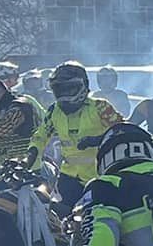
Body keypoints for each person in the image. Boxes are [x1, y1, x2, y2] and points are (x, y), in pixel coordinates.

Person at [31, 60, 124, 211]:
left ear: (84, 86)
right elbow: (41, 135)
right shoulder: (54, 110)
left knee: (101, 216)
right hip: (69, 177)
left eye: (69, 89)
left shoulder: (100, 106)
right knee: (60, 217)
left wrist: (96, 140)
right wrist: (31, 154)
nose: (65, 94)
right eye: (60, 89)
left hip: (101, 176)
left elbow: (122, 131)